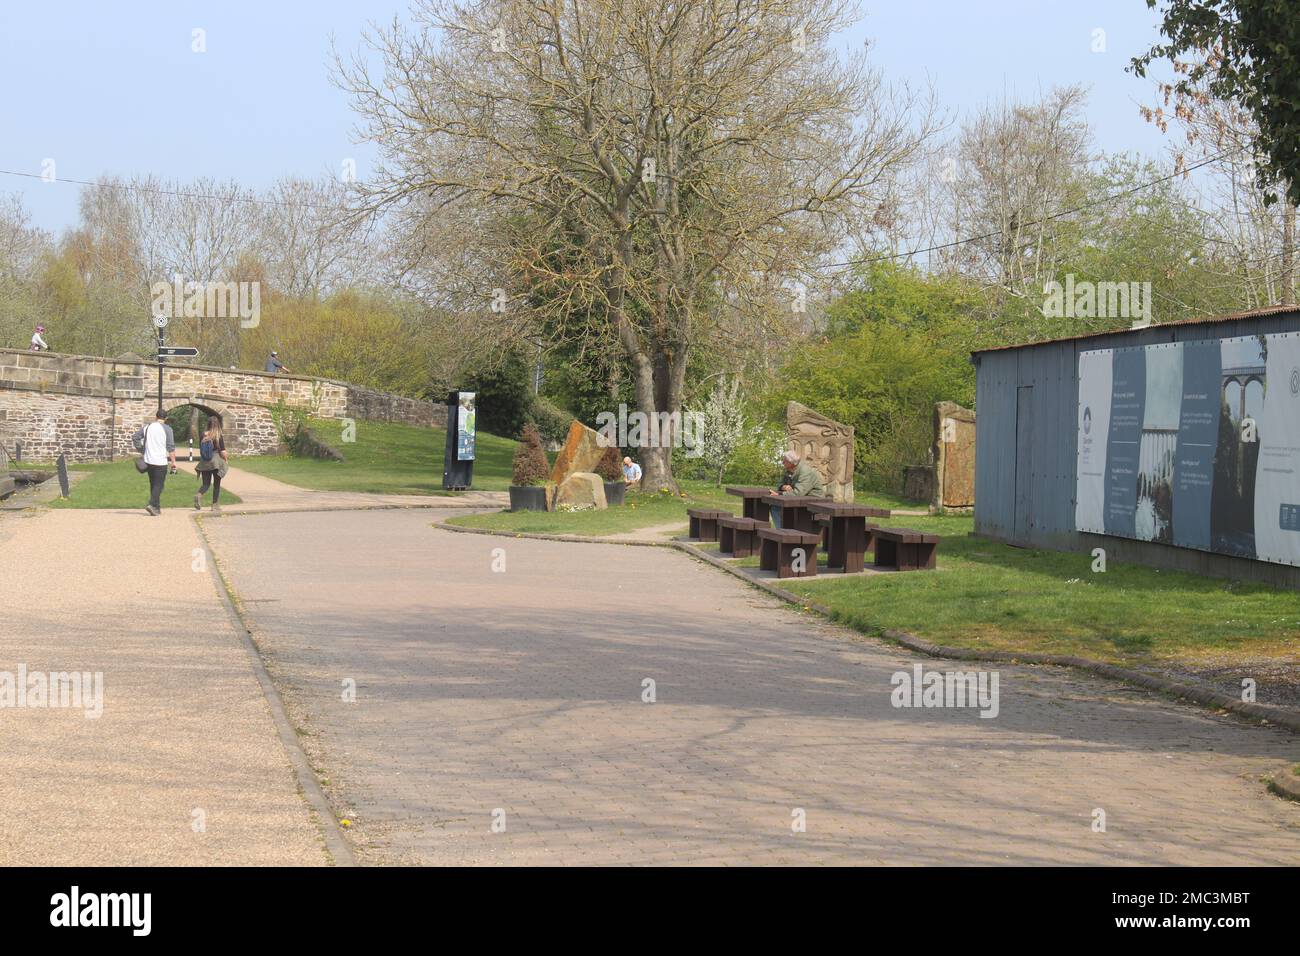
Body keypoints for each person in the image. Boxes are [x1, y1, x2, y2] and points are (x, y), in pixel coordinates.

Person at [133, 409, 176, 516]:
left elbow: (135, 437)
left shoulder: (147, 427)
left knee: (153, 484)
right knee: (159, 485)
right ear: (165, 418)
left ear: (156, 417)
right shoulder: (168, 429)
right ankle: (152, 504)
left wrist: (142, 450)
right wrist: (174, 462)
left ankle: (156, 508)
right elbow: (171, 447)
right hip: (160, 461)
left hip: (148, 461)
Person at [769, 450, 825, 528]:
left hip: (813, 503)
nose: (782, 462)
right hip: (800, 501)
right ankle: (782, 532)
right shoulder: (789, 471)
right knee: (775, 507)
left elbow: (798, 493)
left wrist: (779, 494)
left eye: (784, 460)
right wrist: (783, 487)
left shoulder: (805, 471)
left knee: (778, 508)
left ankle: (784, 532)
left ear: (791, 462)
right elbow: (779, 484)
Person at [193, 418, 228, 513]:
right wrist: (226, 460)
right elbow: (223, 451)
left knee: (206, 484)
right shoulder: (218, 435)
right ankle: (215, 505)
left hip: (204, 462)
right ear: (217, 425)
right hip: (216, 462)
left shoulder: (202, 435)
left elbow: (201, 449)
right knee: (216, 484)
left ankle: (199, 495)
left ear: (208, 424)